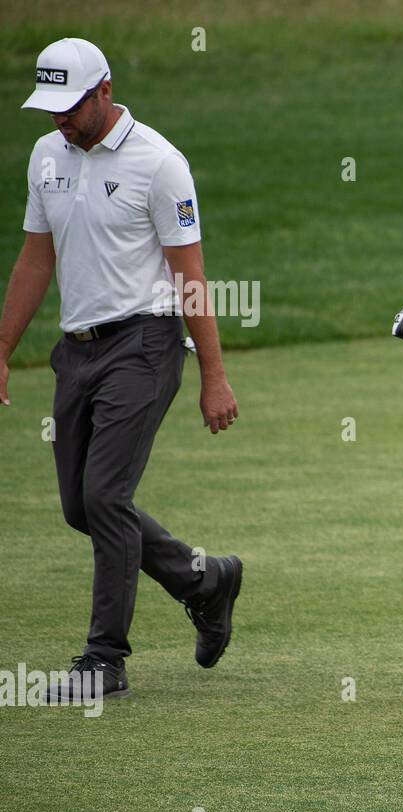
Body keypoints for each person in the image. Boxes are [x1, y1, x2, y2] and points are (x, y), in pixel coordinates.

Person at [0, 38, 242, 701]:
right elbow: (35, 259)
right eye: (49, 106)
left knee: (105, 496)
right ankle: (204, 578)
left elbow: (191, 277)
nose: (59, 119)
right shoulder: (48, 154)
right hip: (75, 349)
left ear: (104, 90)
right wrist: (1, 347)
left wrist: (213, 376)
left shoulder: (159, 164)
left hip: (145, 342)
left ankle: (104, 660)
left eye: (70, 105)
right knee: (82, 506)